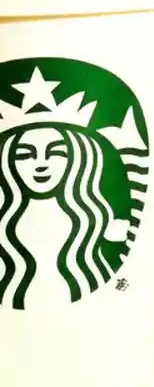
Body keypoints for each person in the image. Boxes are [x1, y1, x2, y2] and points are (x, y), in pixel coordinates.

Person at [0, 124, 131, 309]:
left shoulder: (97, 218)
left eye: (56, 153)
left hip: (99, 313)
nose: (41, 164)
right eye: (24, 155)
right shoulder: (6, 221)